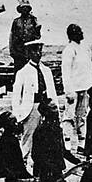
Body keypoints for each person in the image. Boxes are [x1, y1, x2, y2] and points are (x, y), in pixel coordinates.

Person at [12, 38, 60, 168]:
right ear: (28, 53)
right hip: (32, 108)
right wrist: (18, 115)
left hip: (46, 107)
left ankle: (38, 166)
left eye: (40, 50)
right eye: (34, 51)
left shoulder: (46, 71)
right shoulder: (23, 72)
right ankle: (22, 165)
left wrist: (56, 109)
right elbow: (16, 96)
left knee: (45, 138)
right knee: (28, 137)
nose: (38, 53)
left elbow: (52, 91)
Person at [59, 23, 92, 143]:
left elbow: (88, 69)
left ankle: (81, 143)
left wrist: (91, 86)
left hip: (85, 88)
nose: (82, 33)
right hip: (73, 90)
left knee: (82, 116)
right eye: (79, 31)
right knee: (69, 116)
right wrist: (69, 91)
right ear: (73, 34)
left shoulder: (84, 48)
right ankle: (67, 143)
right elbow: (66, 72)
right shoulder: (69, 50)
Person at [8, 0, 40, 71]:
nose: (25, 9)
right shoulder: (16, 21)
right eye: (23, 7)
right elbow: (12, 36)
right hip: (19, 54)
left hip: (30, 54)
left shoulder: (33, 20)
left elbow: (37, 37)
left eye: (27, 7)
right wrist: (13, 53)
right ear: (20, 9)